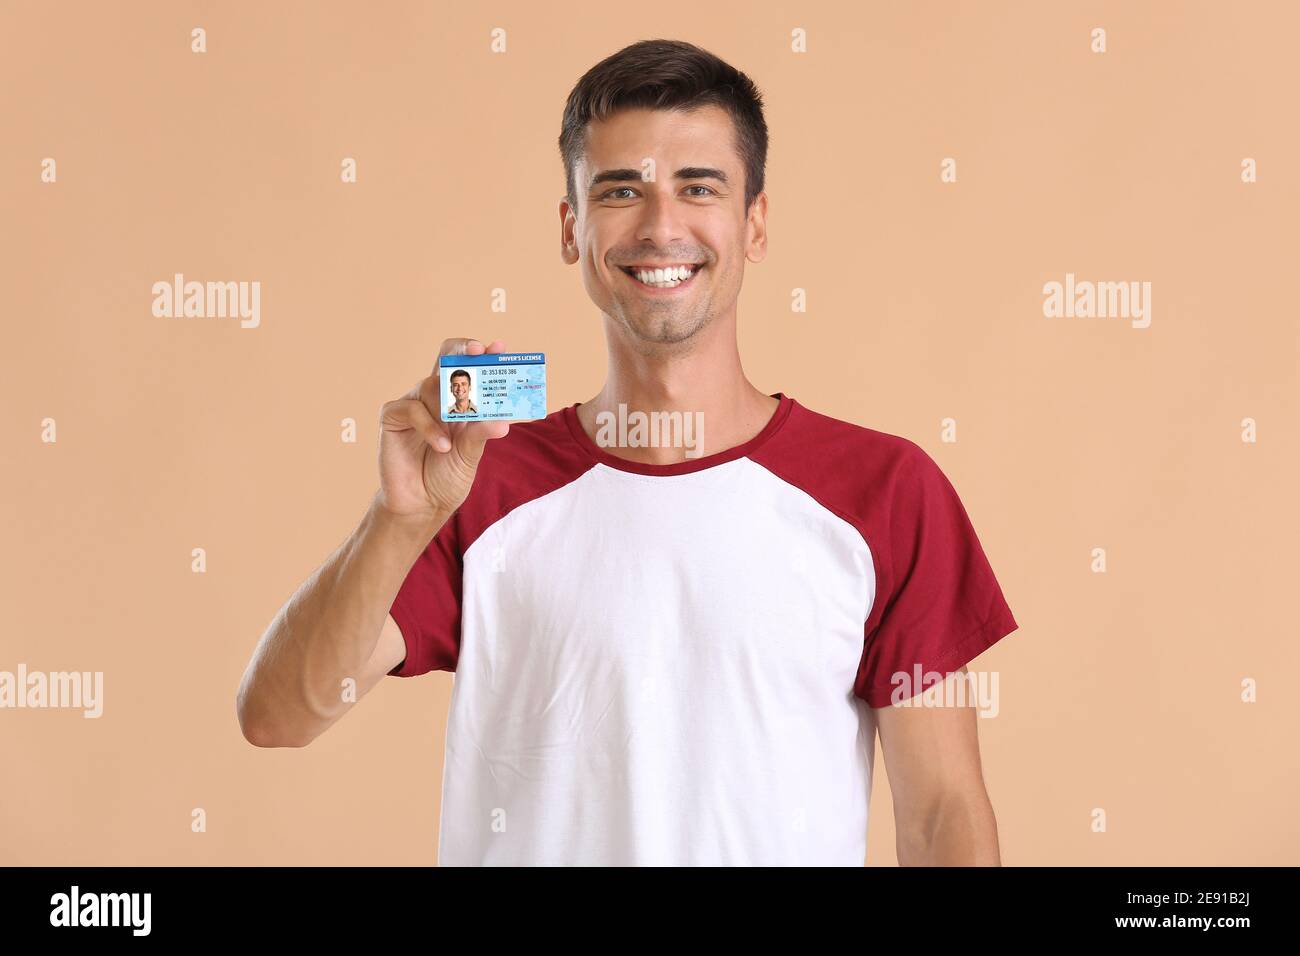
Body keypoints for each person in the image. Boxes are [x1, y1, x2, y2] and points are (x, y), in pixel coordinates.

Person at [236, 39, 1019, 866]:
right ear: (572, 229)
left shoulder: (887, 493)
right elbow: (279, 715)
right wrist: (397, 520)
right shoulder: (479, 482)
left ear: (754, 224)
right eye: (621, 191)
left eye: (699, 187)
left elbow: (940, 816)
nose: (660, 226)